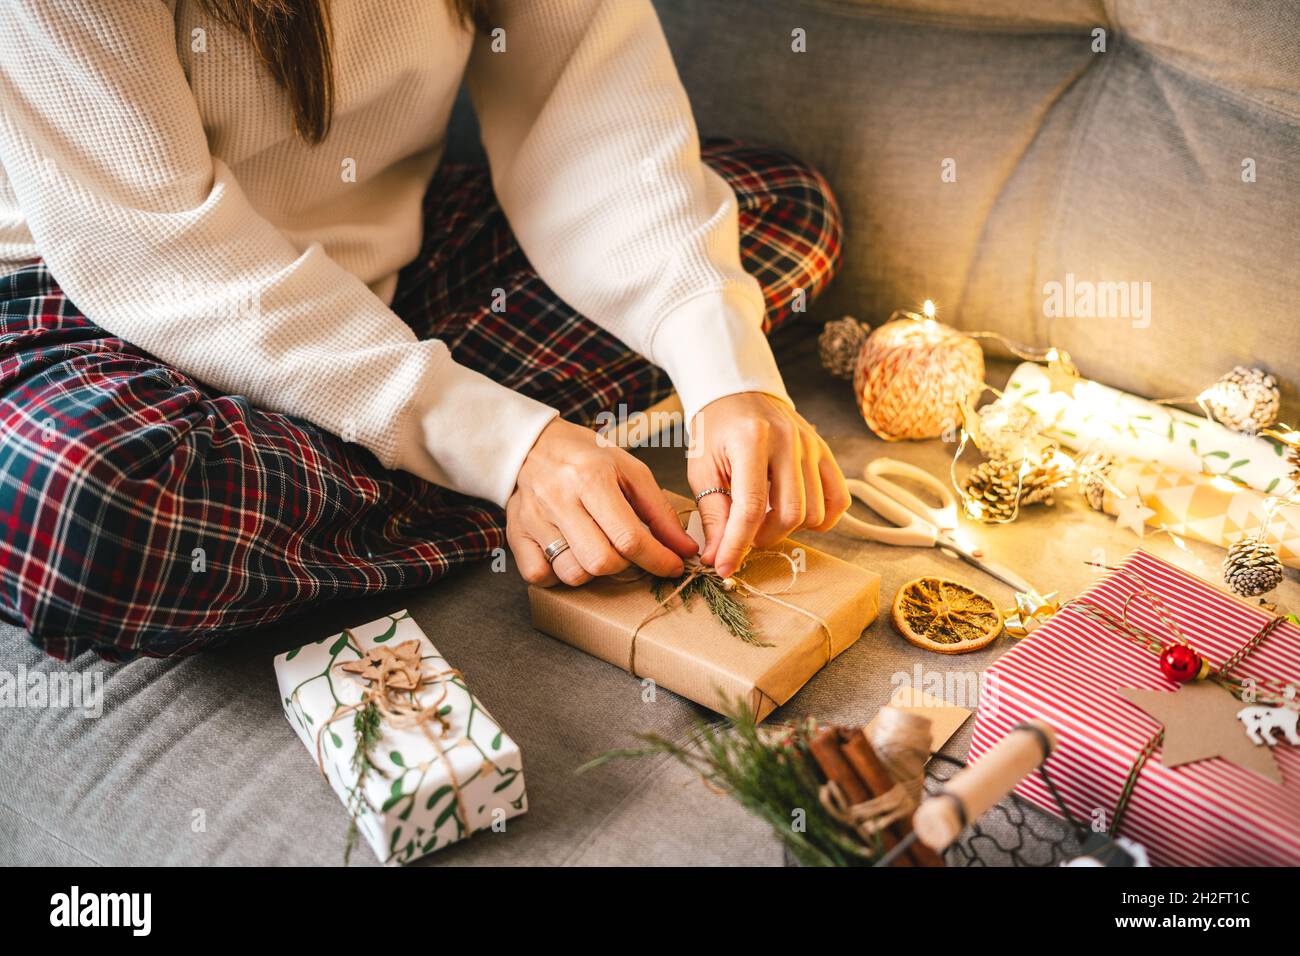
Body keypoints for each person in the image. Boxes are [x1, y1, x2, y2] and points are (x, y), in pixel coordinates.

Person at [0, 0, 849, 661]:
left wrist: (727, 377)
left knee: (782, 208)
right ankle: (517, 480)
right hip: (95, 303)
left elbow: (583, 102)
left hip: (381, 279)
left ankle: (456, 472)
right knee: (84, 507)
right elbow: (156, 247)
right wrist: (509, 447)